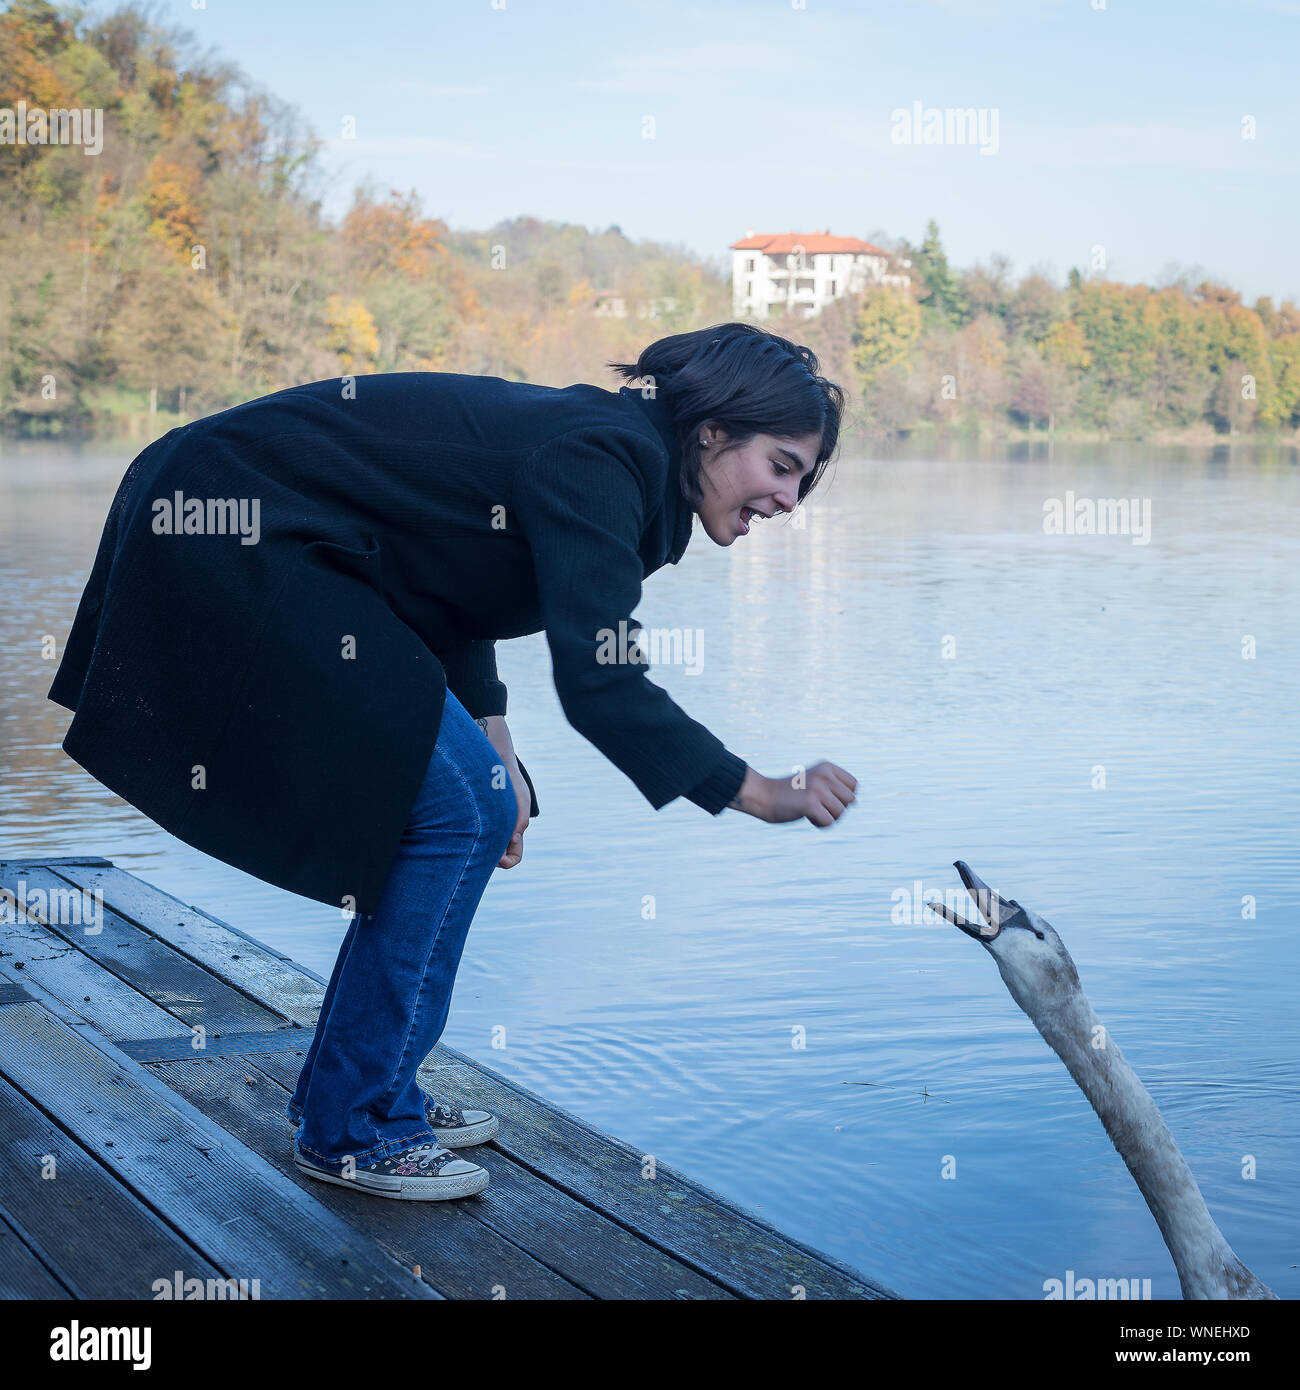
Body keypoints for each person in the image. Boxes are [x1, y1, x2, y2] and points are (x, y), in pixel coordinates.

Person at [47, 321, 858, 1201]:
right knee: (458, 810)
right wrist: (752, 790)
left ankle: (369, 1088)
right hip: (231, 520)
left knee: (473, 796)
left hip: (306, 541)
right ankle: (354, 1128)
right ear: (713, 431)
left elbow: (450, 576)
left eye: (804, 482)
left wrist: (496, 742)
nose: (790, 500)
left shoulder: (630, 468)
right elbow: (605, 685)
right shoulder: (606, 458)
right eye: (781, 465)